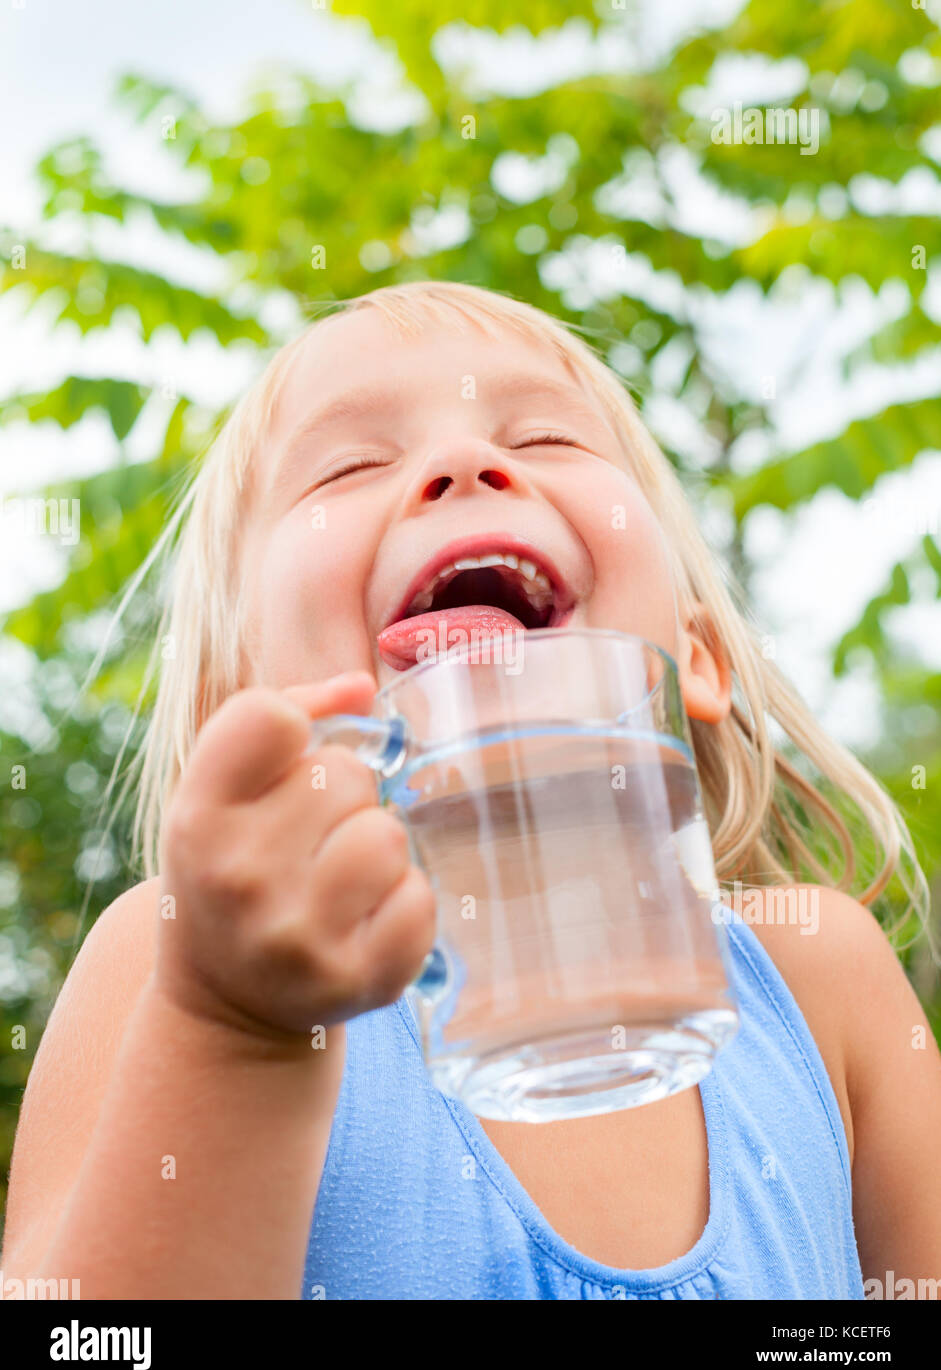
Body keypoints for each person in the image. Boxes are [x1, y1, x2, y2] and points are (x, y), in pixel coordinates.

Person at [3, 281, 940, 1299]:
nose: (461, 464)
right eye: (353, 463)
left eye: (543, 438)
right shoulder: (173, 963)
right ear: (244, 709)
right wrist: (234, 1034)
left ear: (696, 653)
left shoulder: (820, 978)